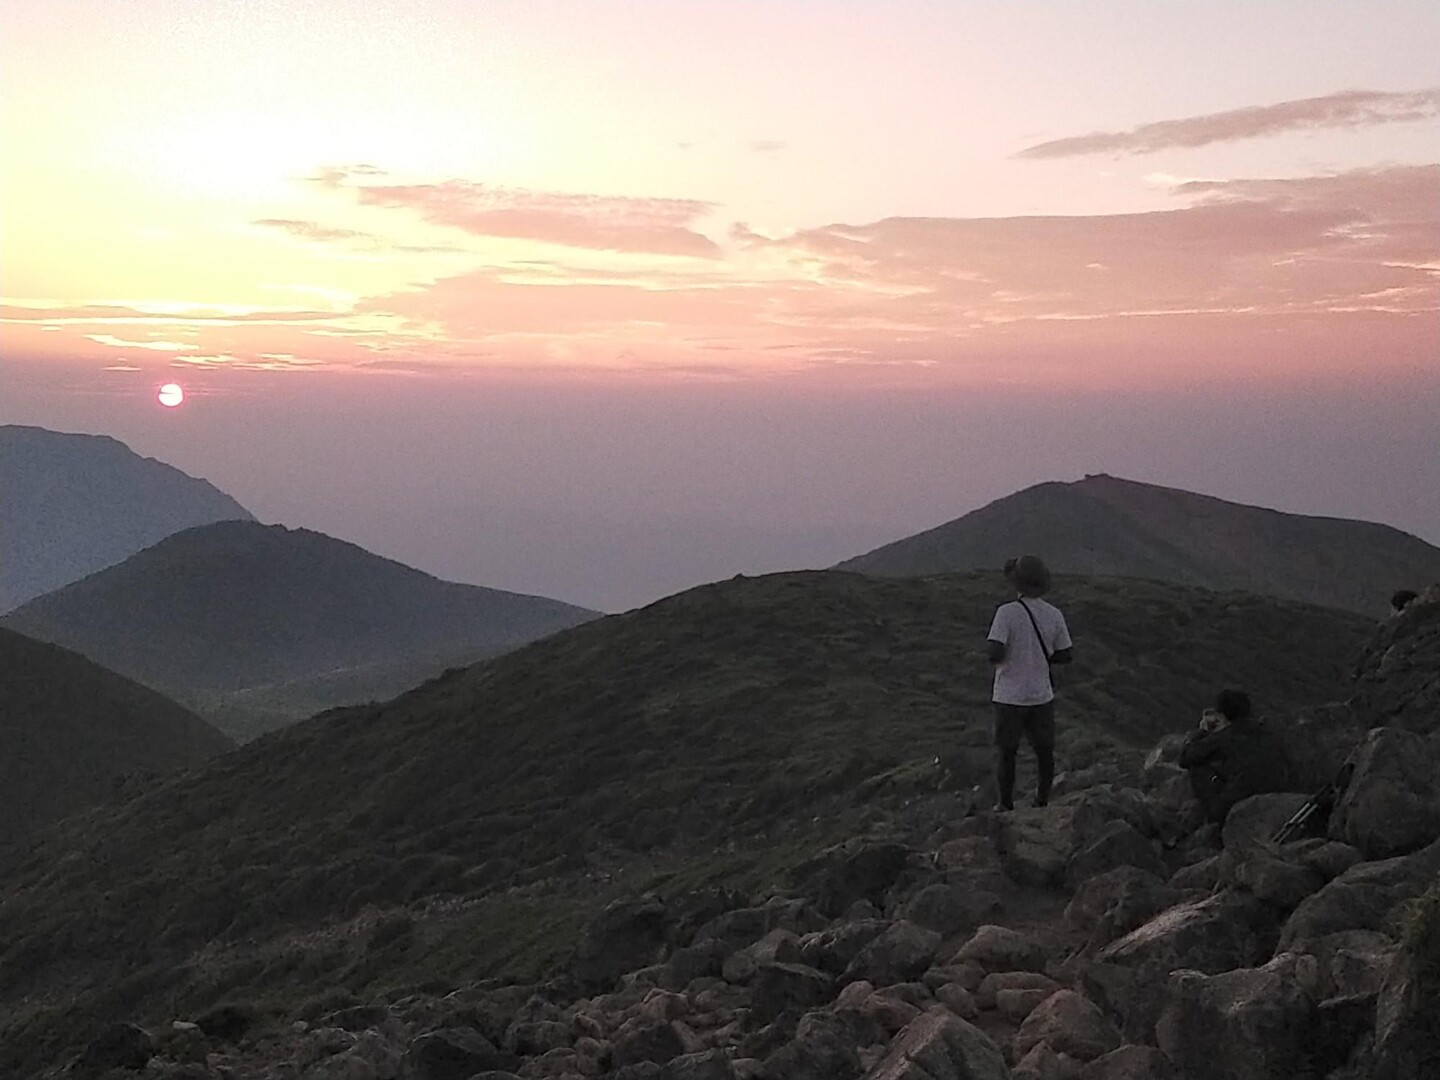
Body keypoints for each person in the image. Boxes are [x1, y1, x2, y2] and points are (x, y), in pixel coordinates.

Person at [986, 554, 1073, 811]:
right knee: (1044, 751)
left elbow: (994, 651)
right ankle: (1042, 801)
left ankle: (1005, 804)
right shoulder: (1054, 614)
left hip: (1009, 696)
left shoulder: (1006, 613)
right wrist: (1040, 657)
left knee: (1007, 753)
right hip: (1041, 694)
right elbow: (1066, 654)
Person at [1178, 689, 1292, 824]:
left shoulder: (1224, 737)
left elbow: (1185, 758)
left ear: (1221, 715)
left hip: (1238, 801)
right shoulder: (1268, 731)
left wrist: (1202, 731)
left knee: (1197, 766)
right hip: (1279, 792)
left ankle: (1210, 818)